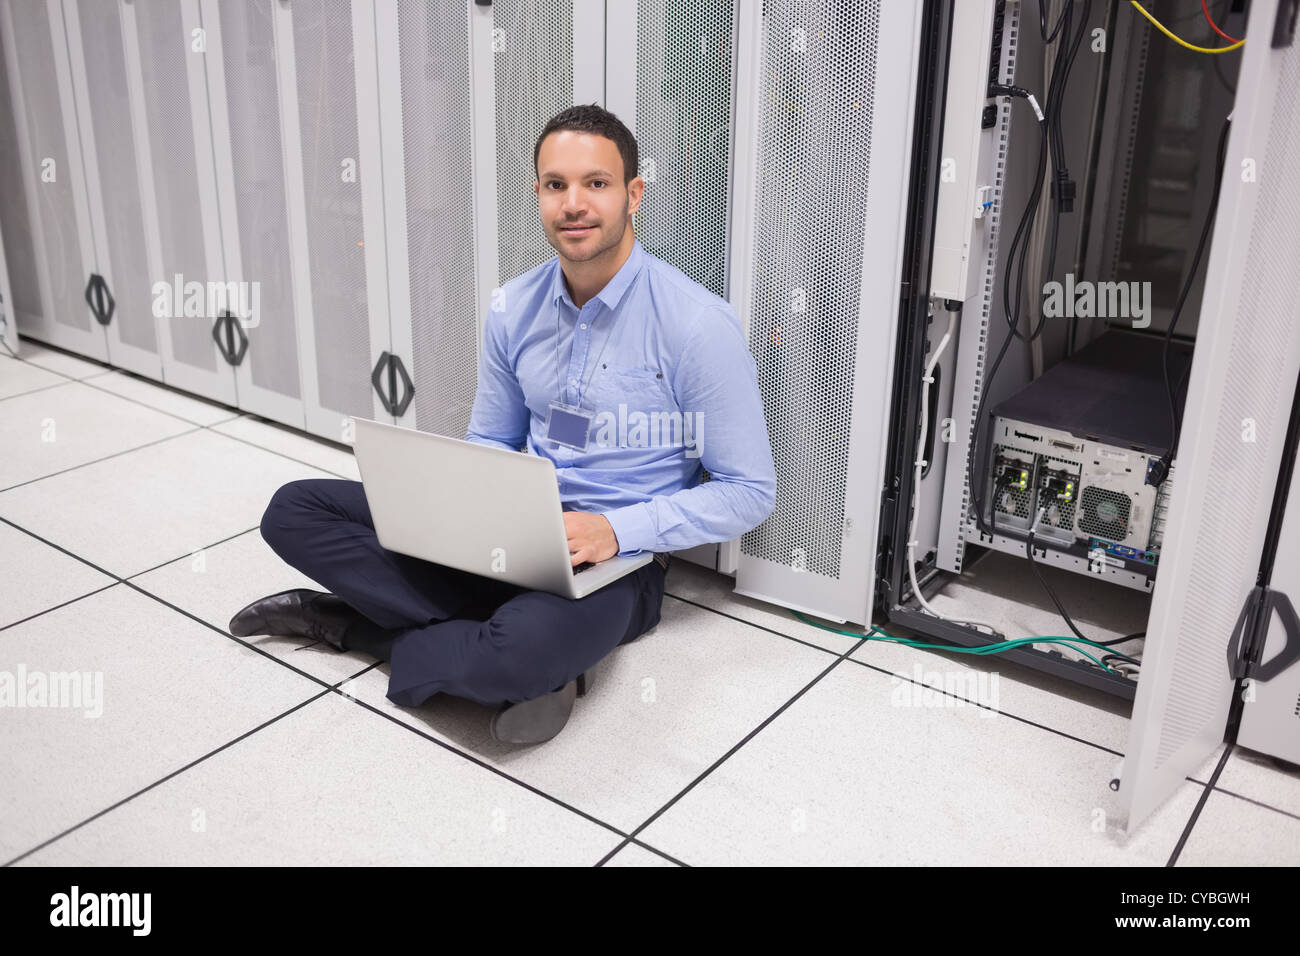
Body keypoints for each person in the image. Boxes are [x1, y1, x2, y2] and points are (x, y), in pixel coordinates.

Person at [230, 104, 776, 743]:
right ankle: (499, 637)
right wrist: (463, 518)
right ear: (539, 195)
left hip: (615, 564)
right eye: (555, 185)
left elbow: (749, 490)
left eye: (595, 184)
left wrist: (615, 529)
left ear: (634, 195)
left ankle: (360, 627)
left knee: (522, 650)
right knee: (295, 509)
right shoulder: (512, 307)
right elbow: (492, 438)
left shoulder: (694, 324)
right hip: (509, 536)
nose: (574, 203)